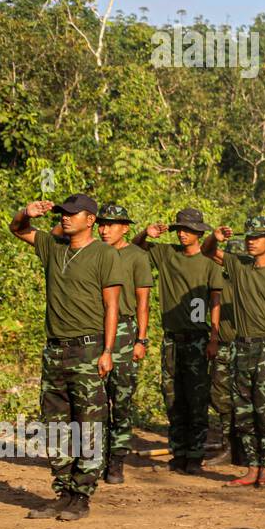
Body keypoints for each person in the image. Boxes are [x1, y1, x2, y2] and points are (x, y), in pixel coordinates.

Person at [11, 195, 125, 521]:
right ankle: (62, 491)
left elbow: (112, 305)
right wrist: (26, 211)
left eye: (73, 214)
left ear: (91, 219)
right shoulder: (53, 247)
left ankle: (82, 495)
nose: (65, 218)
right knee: (55, 424)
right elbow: (17, 228)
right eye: (62, 214)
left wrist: (107, 351)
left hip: (88, 349)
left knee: (89, 424)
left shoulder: (104, 254)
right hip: (55, 350)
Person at [203, 217, 265, 486]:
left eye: (257, 237)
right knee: (243, 411)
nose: (251, 241)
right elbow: (208, 251)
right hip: (240, 347)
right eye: (248, 237)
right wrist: (215, 236)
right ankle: (252, 467)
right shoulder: (239, 265)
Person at [134, 209, 225, 472]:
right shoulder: (167, 254)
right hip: (172, 339)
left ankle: (195, 456)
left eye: (188, 229)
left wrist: (214, 337)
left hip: (197, 338)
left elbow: (216, 301)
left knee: (196, 398)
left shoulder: (209, 263)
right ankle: (179, 454)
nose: (183, 233)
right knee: (172, 397)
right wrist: (146, 233)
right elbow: (134, 249)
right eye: (180, 229)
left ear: (200, 233)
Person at [96, 204, 152, 485]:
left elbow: (143, 301)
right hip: (94, 328)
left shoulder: (137, 256)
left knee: (120, 398)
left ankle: (116, 460)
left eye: (112, 224)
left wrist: (141, 339)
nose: (105, 230)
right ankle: (94, 457)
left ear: (125, 227)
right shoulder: (94, 251)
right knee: (93, 400)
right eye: (102, 224)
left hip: (124, 331)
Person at [209, 236, 243, 467]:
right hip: (222, 344)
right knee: (220, 397)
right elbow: (212, 308)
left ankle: (245, 448)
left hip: (246, 346)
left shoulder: (251, 279)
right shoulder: (217, 278)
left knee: (246, 398)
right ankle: (228, 446)